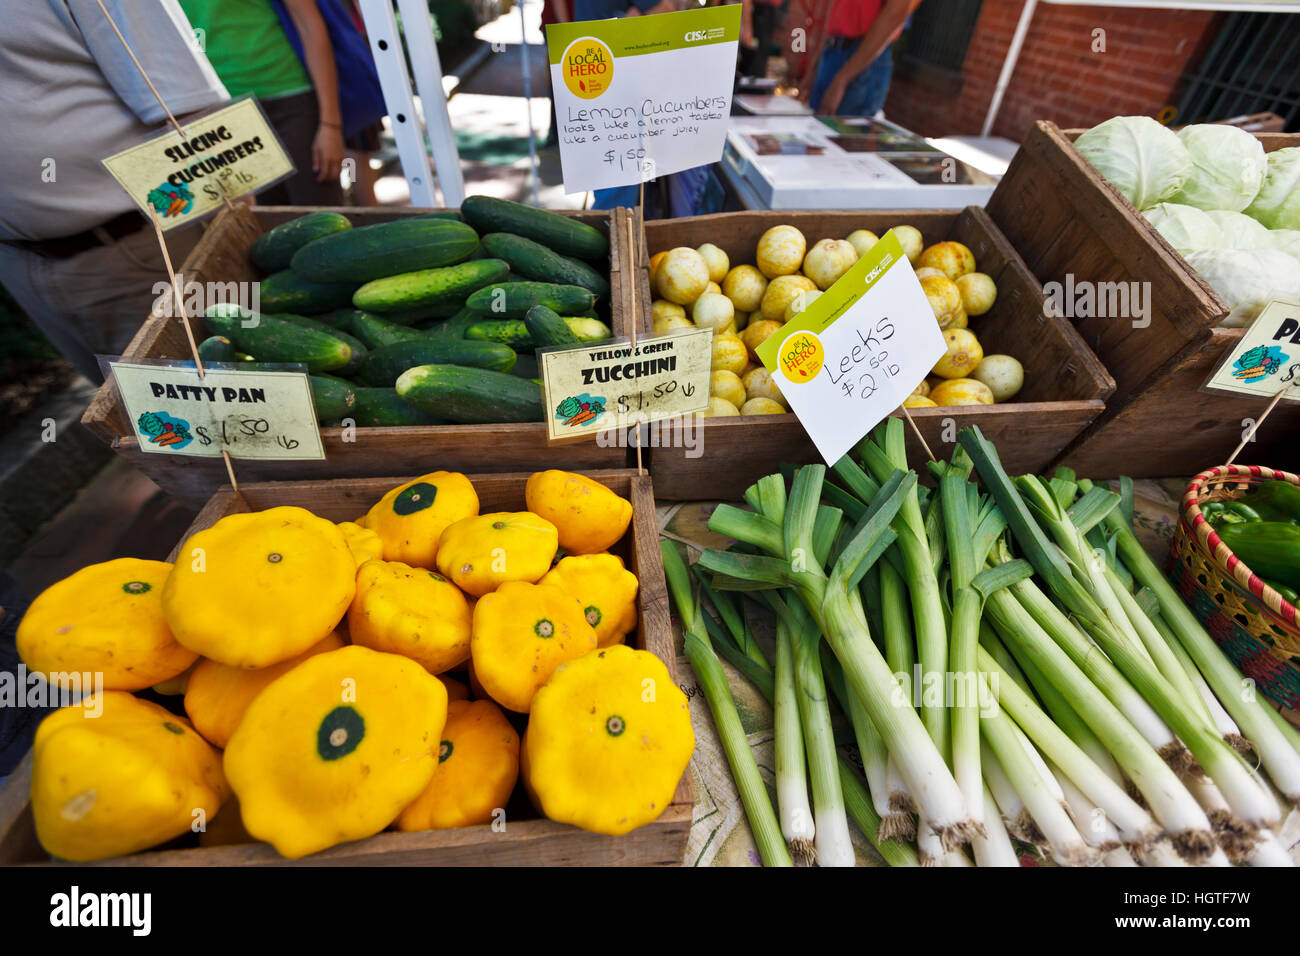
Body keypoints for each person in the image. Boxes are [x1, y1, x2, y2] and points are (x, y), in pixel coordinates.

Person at [0, 0, 229, 384]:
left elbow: (190, 104)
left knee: (221, 424)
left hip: (142, 246)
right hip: (20, 264)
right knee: (132, 427)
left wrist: (228, 227)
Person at [179, 0, 346, 205]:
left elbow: (309, 23)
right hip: (221, 113)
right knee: (259, 227)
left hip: (292, 100)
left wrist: (331, 125)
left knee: (323, 216)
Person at [800, 0, 910, 117]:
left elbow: (896, 14)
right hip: (833, 52)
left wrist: (842, 79)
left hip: (860, 63)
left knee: (835, 131)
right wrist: (815, 67)